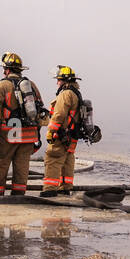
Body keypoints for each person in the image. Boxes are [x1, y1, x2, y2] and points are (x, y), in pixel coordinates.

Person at [0, 52, 45, 196]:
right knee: (22, 165)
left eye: (4, 68)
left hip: (10, 132)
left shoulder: (2, 86)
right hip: (29, 133)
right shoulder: (31, 85)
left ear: (7, 70)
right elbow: (40, 109)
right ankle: (18, 194)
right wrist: (37, 132)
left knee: (0, 162)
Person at [43, 65, 84, 196]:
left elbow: (59, 115)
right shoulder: (76, 93)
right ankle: (65, 187)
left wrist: (51, 131)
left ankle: (50, 189)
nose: (57, 82)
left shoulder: (65, 94)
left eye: (59, 80)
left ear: (65, 81)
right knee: (68, 159)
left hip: (62, 134)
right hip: (72, 135)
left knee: (53, 159)